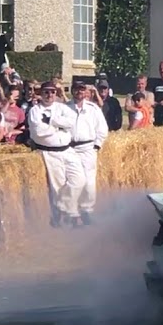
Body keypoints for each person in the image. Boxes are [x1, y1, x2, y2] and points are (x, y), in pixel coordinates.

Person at [28, 83, 86, 228]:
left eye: (53, 92)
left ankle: (63, 207)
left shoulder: (61, 107)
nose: (50, 95)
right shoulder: (35, 110)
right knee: (57, 186)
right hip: (50, 152)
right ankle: (62, 219)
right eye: (46, 92)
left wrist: (52, 122)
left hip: (67, 150)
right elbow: (38, 132)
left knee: (79, 180)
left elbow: (71, 122)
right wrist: (59, 127)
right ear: (41, 93)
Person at [70, 82, 109, 225]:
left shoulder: (93, 109)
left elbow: (102, 129)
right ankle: (73, 214)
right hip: (70, 149)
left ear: (86, 92)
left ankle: (86, 210)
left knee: (88, 183)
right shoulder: (65, 108)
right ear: (72, 91)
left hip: (87, 148)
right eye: (76, 89)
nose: (79, 92)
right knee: (72, 182)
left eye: (82, 89)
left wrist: (97, 145)